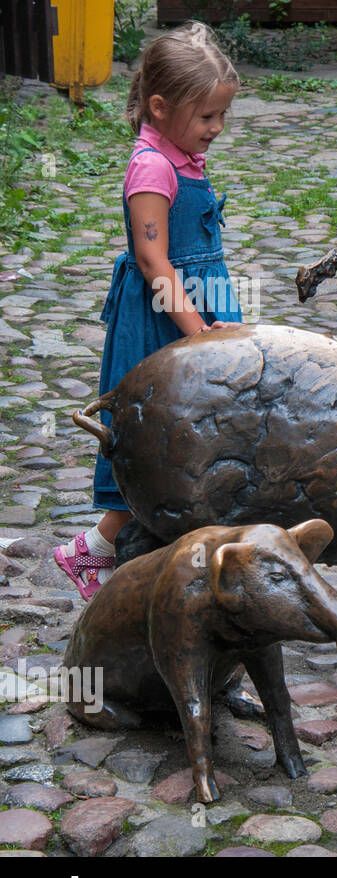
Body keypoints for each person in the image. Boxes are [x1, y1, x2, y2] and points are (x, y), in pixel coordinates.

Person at [53, 22, 242, 600]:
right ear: (159, 107)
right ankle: (95, 549)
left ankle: (176, 550)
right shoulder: (152, 168)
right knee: (154, 437)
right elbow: (154, 260)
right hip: (166, 317)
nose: (216, 129)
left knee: (196, 435)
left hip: (197, 307)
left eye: (220, 116)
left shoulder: (181, 153)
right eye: (206, 116)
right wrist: (197, 334)